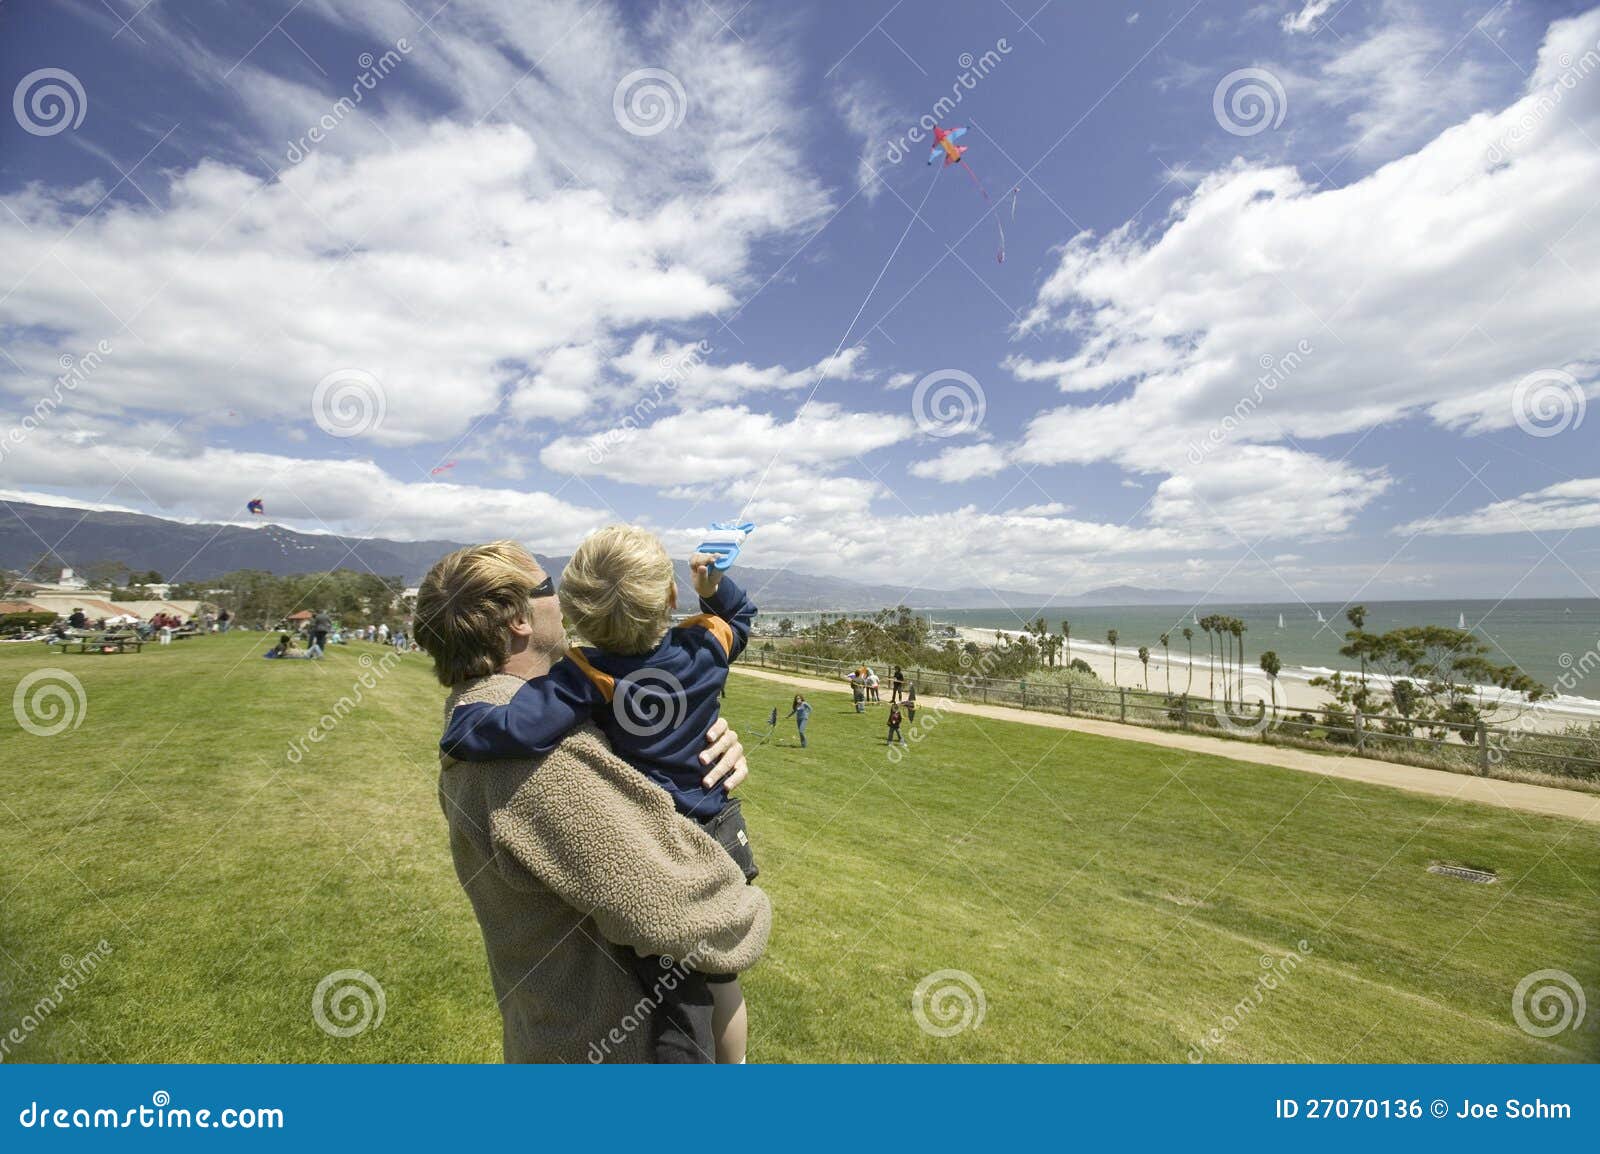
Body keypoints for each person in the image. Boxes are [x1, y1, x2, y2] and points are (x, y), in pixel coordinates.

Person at [419, 540, 768, 1064]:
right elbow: (678, 910)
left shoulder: (510, 720)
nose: (561, 598)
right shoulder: (540, 764)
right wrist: (751, 912)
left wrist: (703, 745)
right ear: (519, 619)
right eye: (549, 585)